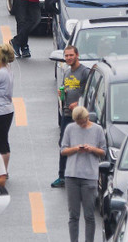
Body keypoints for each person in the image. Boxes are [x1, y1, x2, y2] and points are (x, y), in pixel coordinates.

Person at [60, 106, 106, 242]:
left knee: (89, 215)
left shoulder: (97, 130)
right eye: (78, 122)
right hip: (72, 176)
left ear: (87, 117)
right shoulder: (70, 128)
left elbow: (103, 151)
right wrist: (76, 149)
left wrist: (91, 149)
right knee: (73, 215)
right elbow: (63, 150)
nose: (81, 124)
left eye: (83, 122)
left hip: (90, 177)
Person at [52, 45, 91, 188]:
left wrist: (79, 103)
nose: (68, 58)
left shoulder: (85, 72)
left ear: (77, 55)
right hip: (67, 114)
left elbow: (89, 93)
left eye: (71, 55)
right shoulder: (67, 72)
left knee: (81, 145)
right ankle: (62, 176)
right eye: (66, 56)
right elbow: (66, 88)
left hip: (80, 116)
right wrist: (62, 93)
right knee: (64, 144)